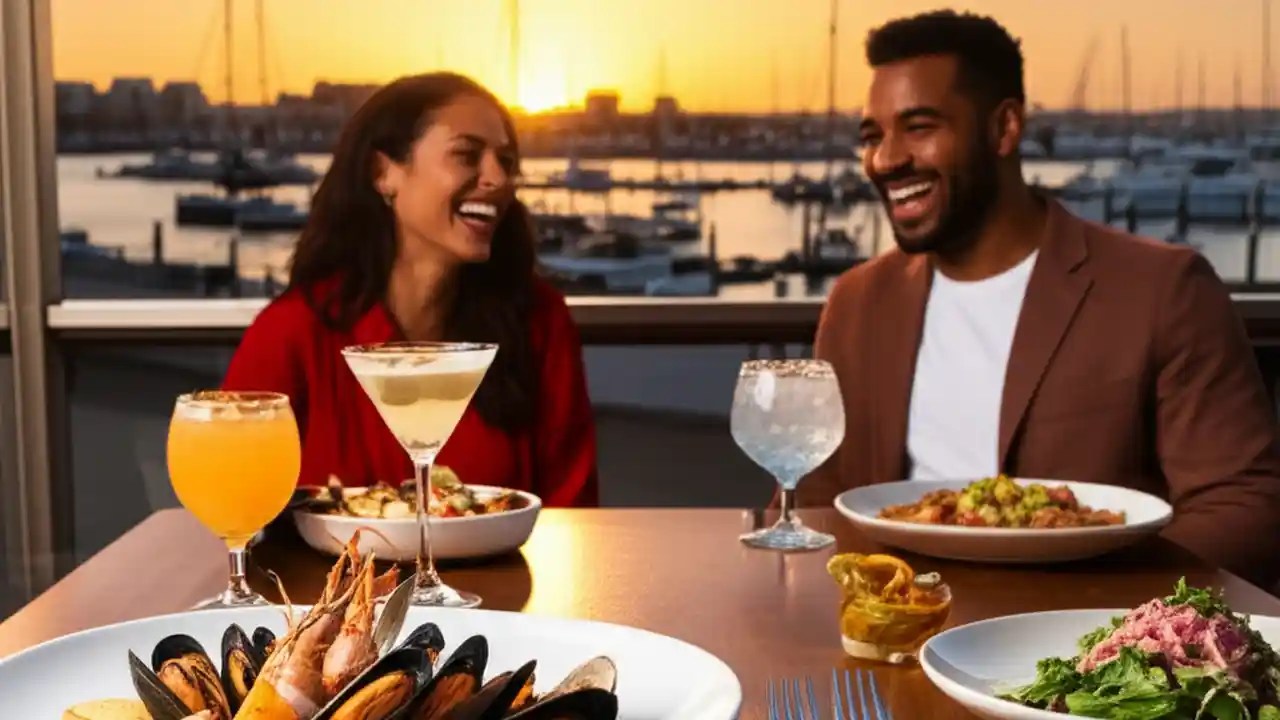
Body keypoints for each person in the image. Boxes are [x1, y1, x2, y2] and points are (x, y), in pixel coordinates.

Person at [799, 10, 1280, 585]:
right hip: (897, 641)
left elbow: (1247, 509)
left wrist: (1085, 608)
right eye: (873, 136)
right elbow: (818, 503)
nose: (885, 159)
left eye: (919, 127)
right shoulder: (857, 303)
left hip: (1074, 654)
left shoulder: (1162, 289)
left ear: (1004, 129)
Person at [222, 72, 599, 508]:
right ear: (384, 173)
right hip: (328, 578)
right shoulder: (292, 332)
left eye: (507, 162)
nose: (497, 179)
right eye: (466, 154)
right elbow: (235, 516)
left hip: (510, 579)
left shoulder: (539, 322)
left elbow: (574, 514)